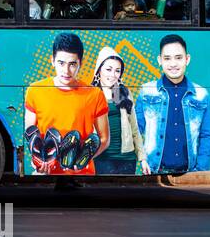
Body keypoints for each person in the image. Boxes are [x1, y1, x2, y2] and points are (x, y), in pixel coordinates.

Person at [24, 32, 110, 177]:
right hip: (46, 173)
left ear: (80, 63)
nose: (66, 70)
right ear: (52, 61)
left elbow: (104, 139)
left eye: (72, 64)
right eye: (61, 63)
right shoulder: (35, 90)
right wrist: (37, 160)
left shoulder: (95, 94)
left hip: (82, 175)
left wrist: (82, 160)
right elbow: (30, 133)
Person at [136, 34, 210, 173]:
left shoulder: (202, 94)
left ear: (187, 59)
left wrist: (200, 170)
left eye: (178, 58)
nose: (173, 64)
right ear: (160, 60)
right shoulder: (146, 91)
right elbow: (136, 130)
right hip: (155, 171)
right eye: (167, 58)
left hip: (190, 173)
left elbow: (206, 134)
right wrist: (142, 160)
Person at [90, 47, 146, 175]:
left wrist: (142, 159)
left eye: (117, 71)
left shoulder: (125, 93)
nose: (112, 75)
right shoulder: (90, 95)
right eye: (108, 69)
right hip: (101, 157)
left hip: (127, 159)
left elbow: (134, 129)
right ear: (99, 71)